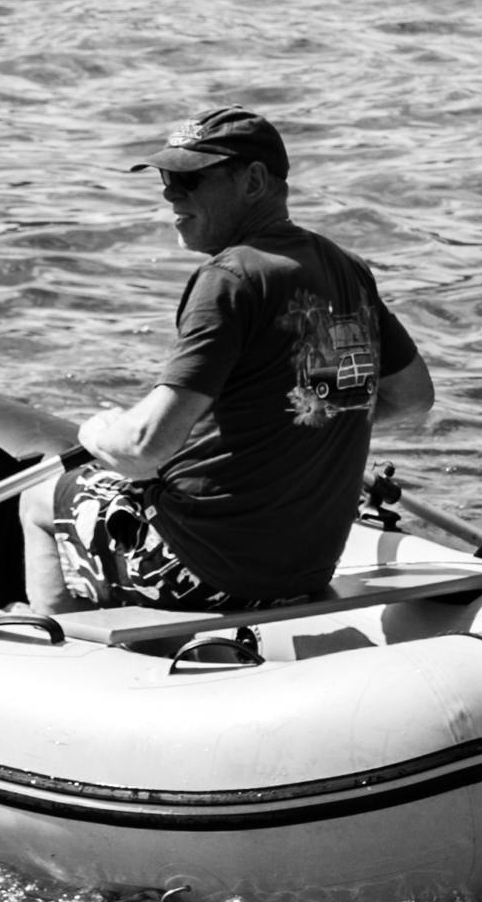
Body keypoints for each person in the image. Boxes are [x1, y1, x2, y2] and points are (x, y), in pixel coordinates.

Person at [27, 105, 435, 612]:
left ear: (254, 180)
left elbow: (145, 448)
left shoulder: (232, 278)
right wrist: (301, 423)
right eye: (165, 178)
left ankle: (62, 636)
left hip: (203, 567)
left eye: (188, 180)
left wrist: (97, 430)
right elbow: (412, 396)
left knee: (42, 495)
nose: (169, 194)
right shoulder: (344, 267)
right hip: (306, 568)